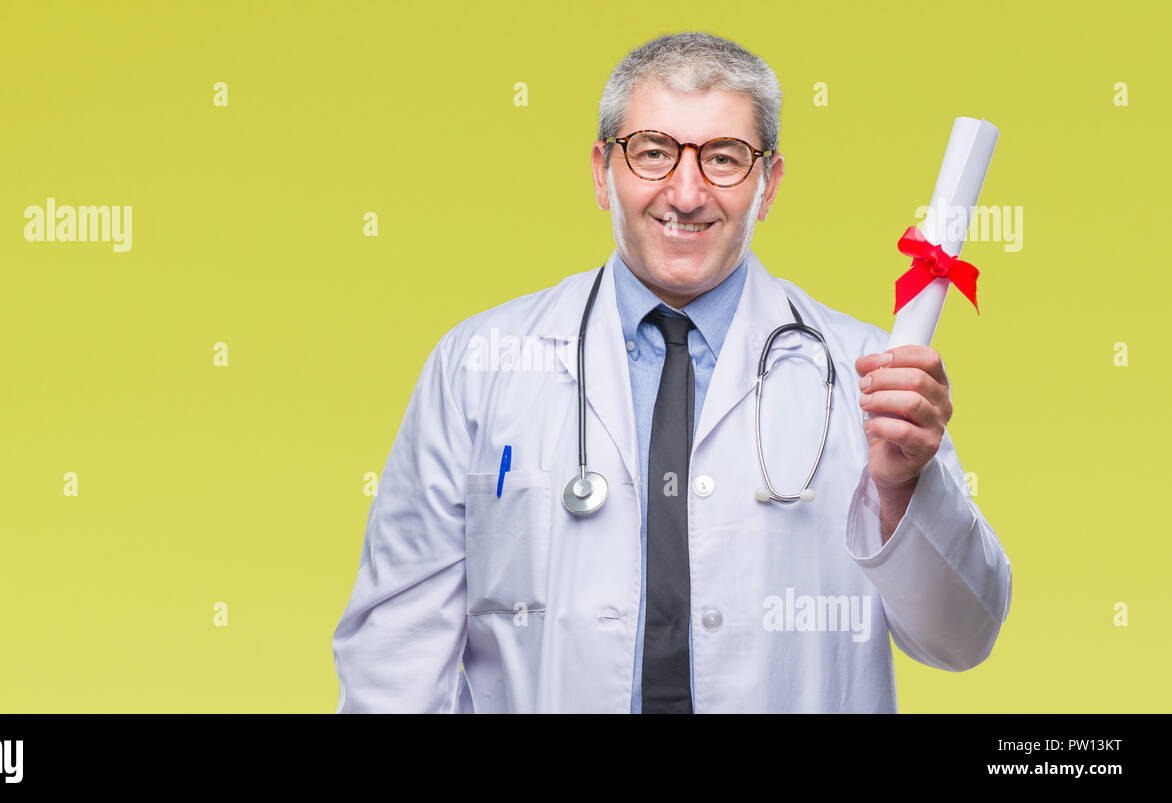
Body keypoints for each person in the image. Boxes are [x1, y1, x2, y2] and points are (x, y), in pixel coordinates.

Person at [332, 31, 1012, 713]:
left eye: (724, 158)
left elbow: (962, 637)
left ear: (768, 185)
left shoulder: (868, 376)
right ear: (602, 171)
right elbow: (394, 658)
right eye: (653, 152)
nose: (686, 194)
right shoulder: (478, 366)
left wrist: (901, 488)